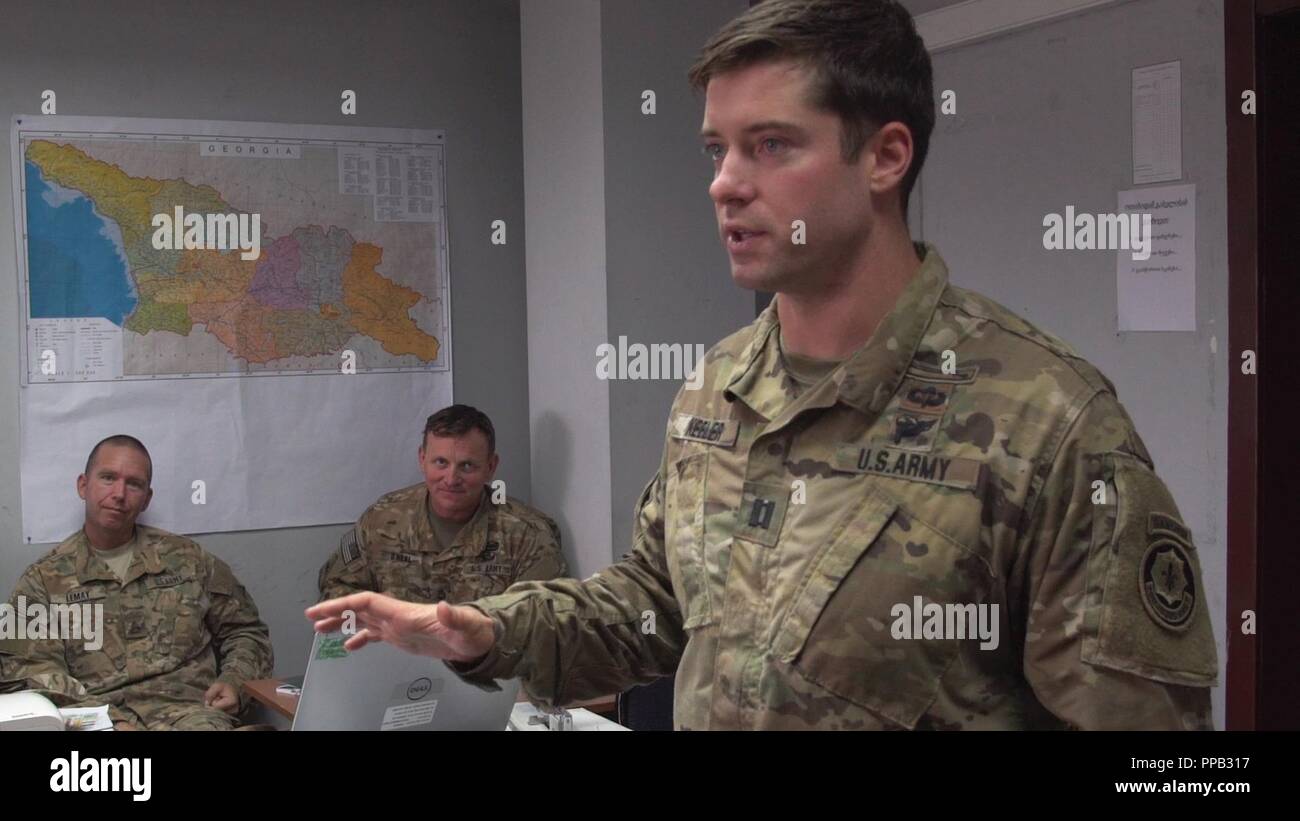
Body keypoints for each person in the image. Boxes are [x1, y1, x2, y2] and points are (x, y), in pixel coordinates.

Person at [308, 0, 1217, 730]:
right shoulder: (718, 386)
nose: (724, 182)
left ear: (885, 157)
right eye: (717, 150)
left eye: (771, 145)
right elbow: (655, 605)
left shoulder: (1048, 421)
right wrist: (485, 630)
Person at [0, 435, 273, 730]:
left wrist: (235, 681)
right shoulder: (40, 580)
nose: (119, 493)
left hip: (191, 716)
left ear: (147, 498)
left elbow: (246, 631)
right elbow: (23, 670)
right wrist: (105, 721)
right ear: (83, 485)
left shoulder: (189, 560)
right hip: (97, 723)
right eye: (108, 478)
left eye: (134, 484)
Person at [317, 404, 567, 604]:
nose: (451, 479)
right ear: (422, 459)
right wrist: (379, 618)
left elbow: (542, 623)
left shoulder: (527, 535)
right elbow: (337, 587)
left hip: (486, 664)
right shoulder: (382, 519)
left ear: (491, 467)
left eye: (466, 466)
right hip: (395, 659)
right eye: (440, 463)